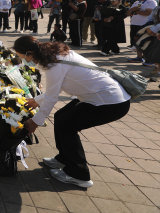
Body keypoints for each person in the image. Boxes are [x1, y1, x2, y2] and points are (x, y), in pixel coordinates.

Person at [15, 36, 130, 188]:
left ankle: (79, 174)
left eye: (22, 57)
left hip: (110, 102)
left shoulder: (54, 64)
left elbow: (52, 97)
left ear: (30, 53)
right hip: (98, 97)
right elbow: (54, 89)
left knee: (67, 126)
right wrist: (37, 100)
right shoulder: (54, 54)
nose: (23, 60)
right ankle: (64, 158)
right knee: (61, 117)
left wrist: (36, 121)